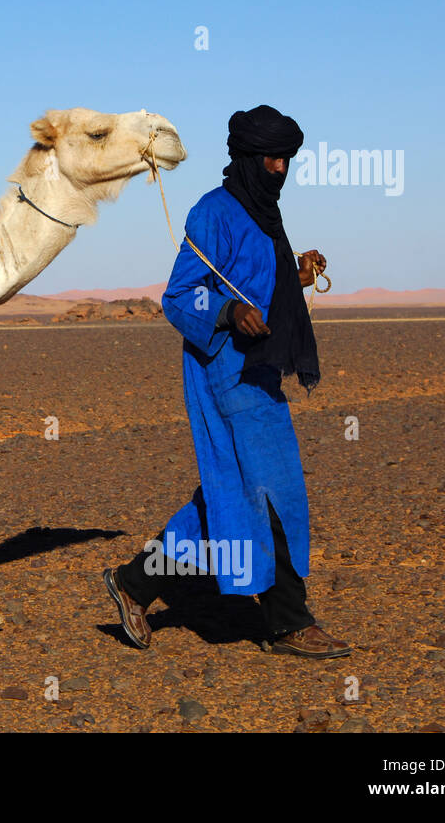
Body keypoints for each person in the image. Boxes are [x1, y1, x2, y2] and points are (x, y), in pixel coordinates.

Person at [102, 105, 350, 659]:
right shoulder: (213, 212)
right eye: (271, 158)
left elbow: (261, 277)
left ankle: (135, 582)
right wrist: (226, 313)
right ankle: (289, 623)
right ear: (245, 158)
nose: (280, 168)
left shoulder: (265, 215)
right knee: (273, 492)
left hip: (260, 374)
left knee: (230, 496)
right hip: (226, 373)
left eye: (287, 159)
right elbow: (179, 296)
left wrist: (298, 272)